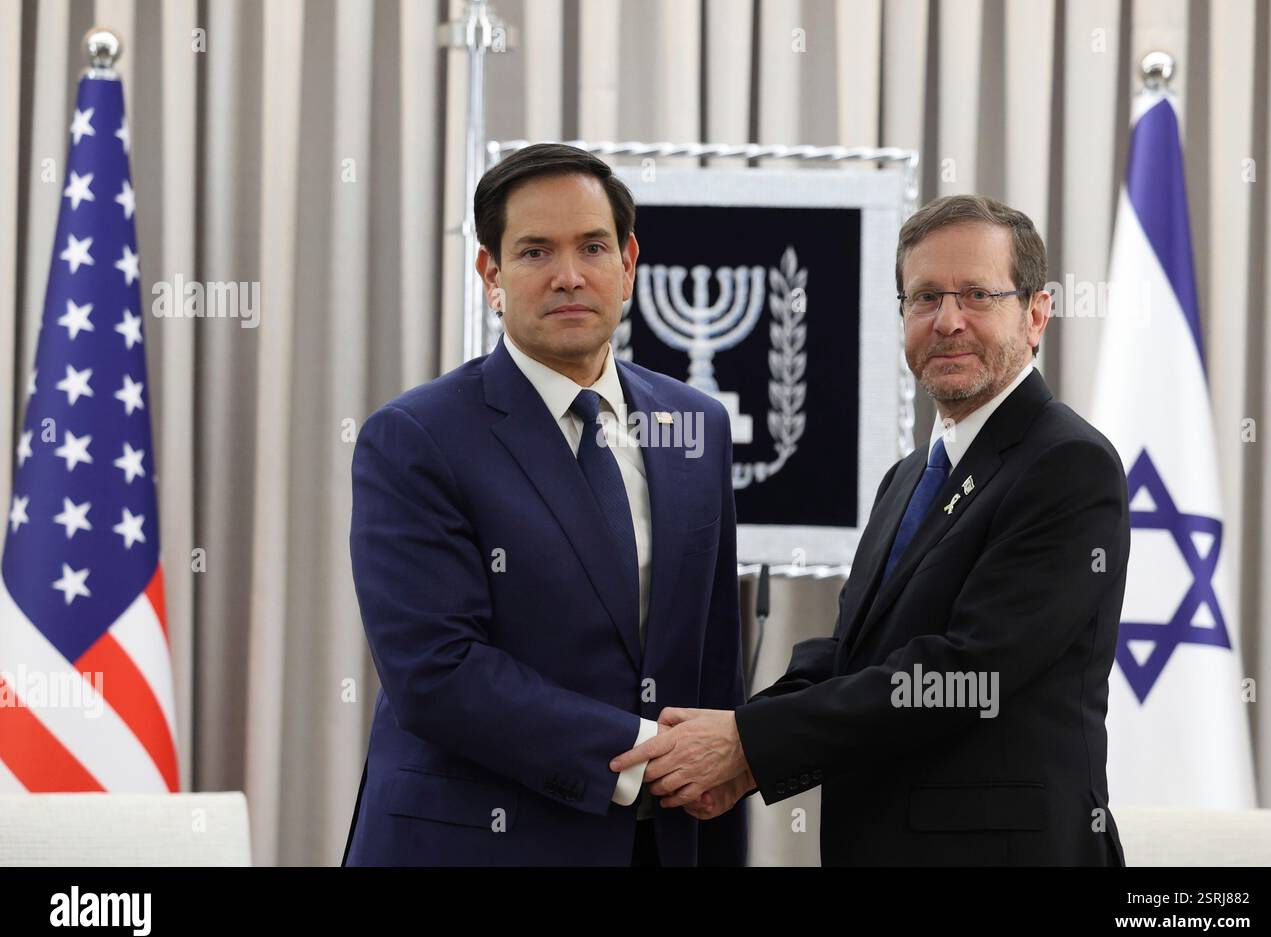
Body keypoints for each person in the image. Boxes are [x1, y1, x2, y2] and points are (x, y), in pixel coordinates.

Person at [613, 195, 1130, 866]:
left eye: (977, 294)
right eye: (924, 299)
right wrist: (744, 753)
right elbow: (856, 653)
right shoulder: (909, 477)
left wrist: (749, 741)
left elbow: (965, 674)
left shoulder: (1067, 463)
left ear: (1036, 314)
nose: (947, 322)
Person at [342, 143, 746, 866]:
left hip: (660, 843)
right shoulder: (415, 438)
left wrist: (720, 784)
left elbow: (711, 662)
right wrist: (644, 752)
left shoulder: (698, 425)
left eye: (592, 246)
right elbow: (437, 671)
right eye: (535, 252)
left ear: (627, 263)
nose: (569, 276)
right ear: (490, 274)